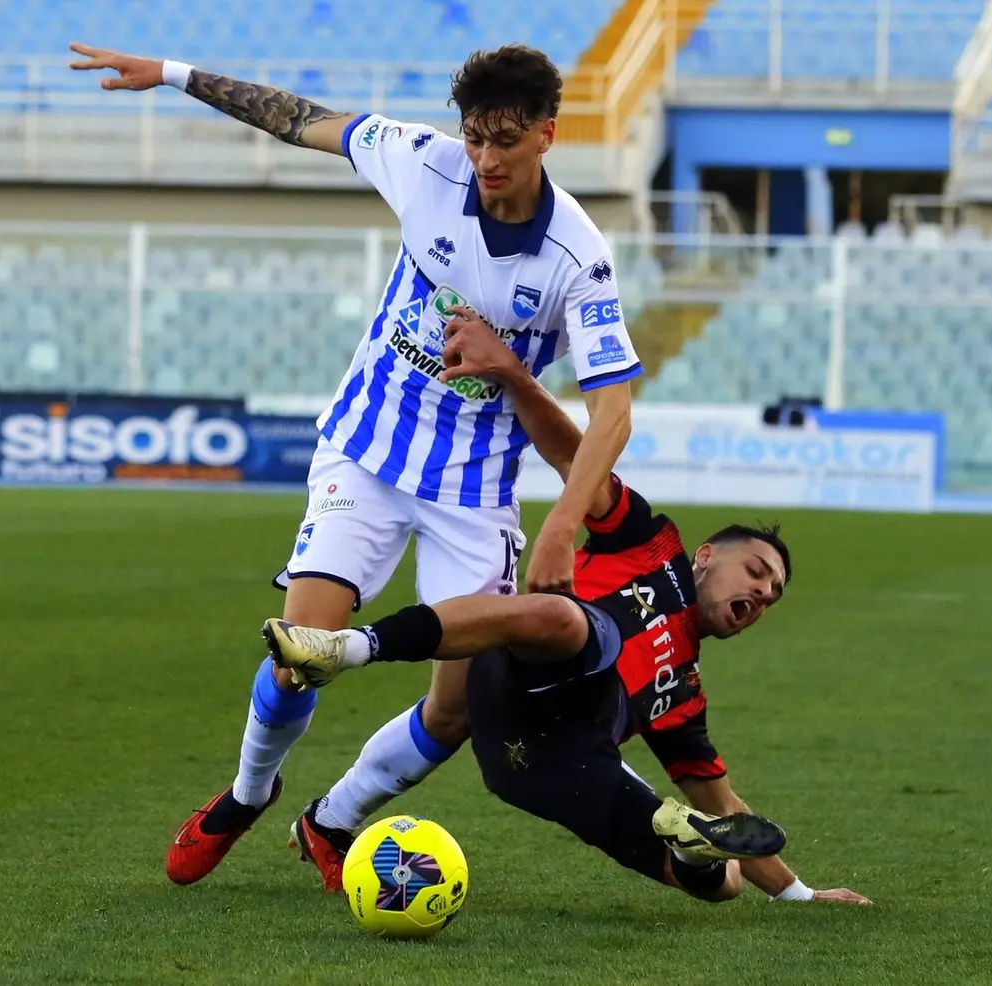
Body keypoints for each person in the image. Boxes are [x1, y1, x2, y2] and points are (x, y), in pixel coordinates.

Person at [69, 43, 642, 886]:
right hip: (370, 448)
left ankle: (330, 822)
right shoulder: (422, 163)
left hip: (473, 485)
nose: (484, 158)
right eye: (475, 137)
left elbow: (614, 413)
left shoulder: (576, 258)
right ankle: (246, 793)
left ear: (547, 136)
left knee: (453, 711)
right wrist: (173, 74)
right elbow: (299, 117)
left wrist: (560, 525)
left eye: (505, 142)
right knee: (301, 649)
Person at [265, 315, 873, 905]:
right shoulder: (650, 542)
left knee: (720, 884)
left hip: (543, 761)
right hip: (524, 668)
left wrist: (800, 893)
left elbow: (725, 803)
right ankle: (346, 648)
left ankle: (688, 848)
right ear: (707, 555)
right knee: (569, 623)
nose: (762, 595)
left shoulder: (682, 694)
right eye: (758, 573)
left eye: (772, 597)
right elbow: (573, 455)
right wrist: (513, 374)